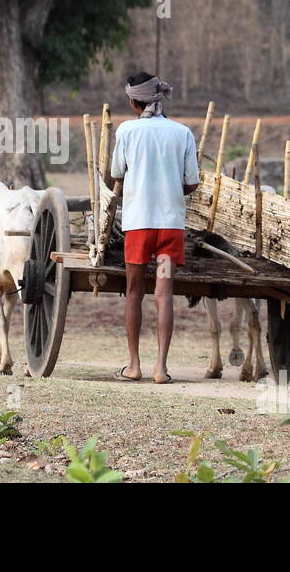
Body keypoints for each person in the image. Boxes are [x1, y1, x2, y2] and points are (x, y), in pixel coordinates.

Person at [103, 71, 199, 384]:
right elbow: (191, 184)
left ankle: (134, 366)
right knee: (163, 293)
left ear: (133, 101)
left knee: (133, 291)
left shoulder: (127, 131)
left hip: (138, 225)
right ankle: (160, 368)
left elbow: (117, 173)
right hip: (170, 226)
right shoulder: (182, 133)